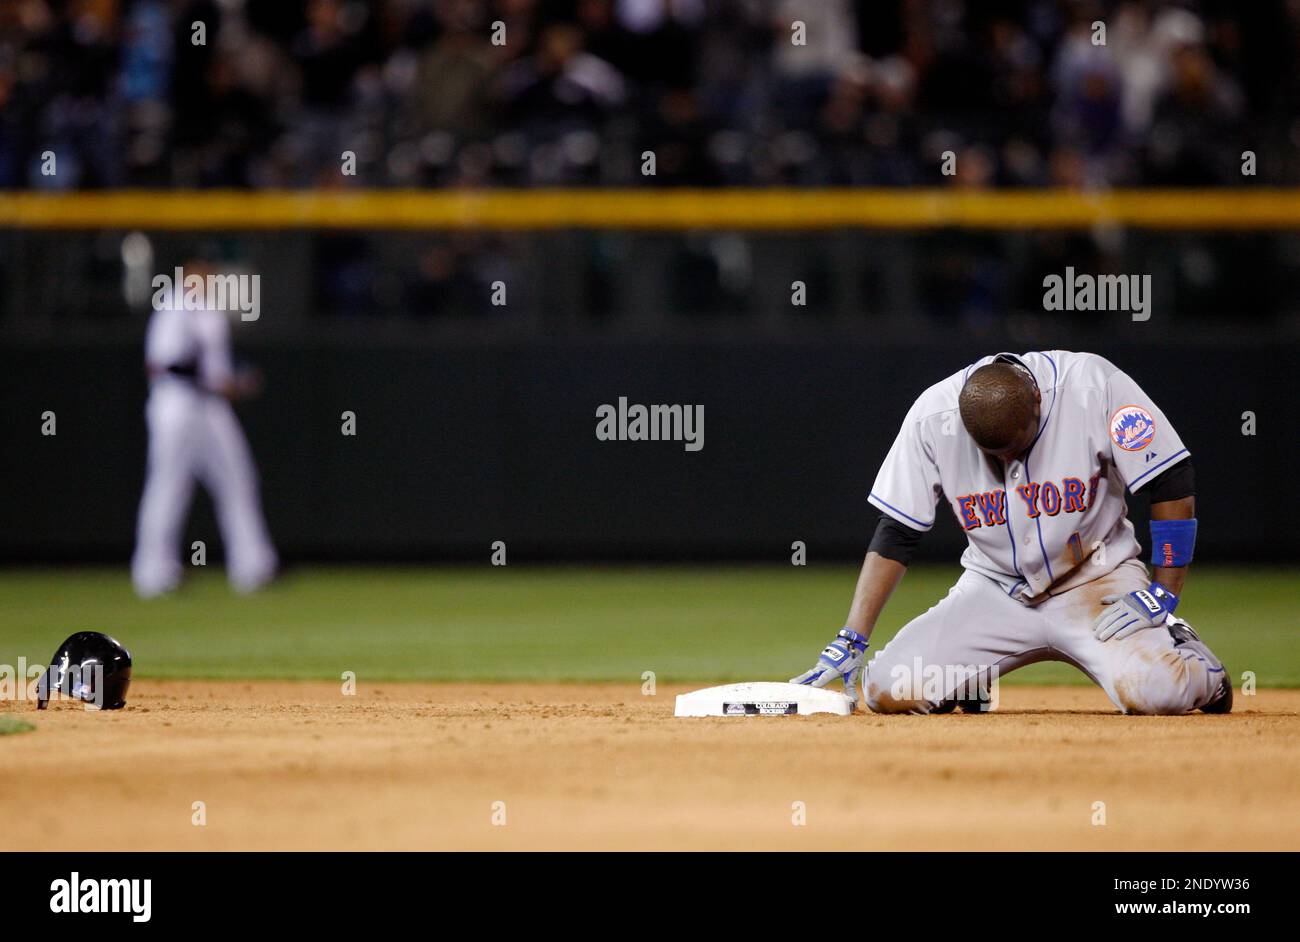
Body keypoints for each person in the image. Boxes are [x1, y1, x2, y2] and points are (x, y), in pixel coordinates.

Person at [792, 351, 1230, 715]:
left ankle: (1199, 664)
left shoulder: (1094, 387)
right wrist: (853, 635)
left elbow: (1170, 480)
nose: (1007, 459)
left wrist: (1164, 593)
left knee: (1154, 692)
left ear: (1038, 400)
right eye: (993, 453)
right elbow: (898, 531)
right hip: (994, 591)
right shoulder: (934, 416)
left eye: (1017, 445)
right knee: (888, 688)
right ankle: (968, 680)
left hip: (1099, 584)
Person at [131, 260, 277, 598]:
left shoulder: (208, 310)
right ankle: (153, 573)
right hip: (177, 403)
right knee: (169, 484)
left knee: (238, 479)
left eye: (210, 277)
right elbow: (162, 364)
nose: (207, 282)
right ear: (185, 278)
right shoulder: (173, 306)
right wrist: (214, 382)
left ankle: (254, 567)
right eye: (201, 277)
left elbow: (216, 369)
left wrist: (232, 383)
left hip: (210, 406)